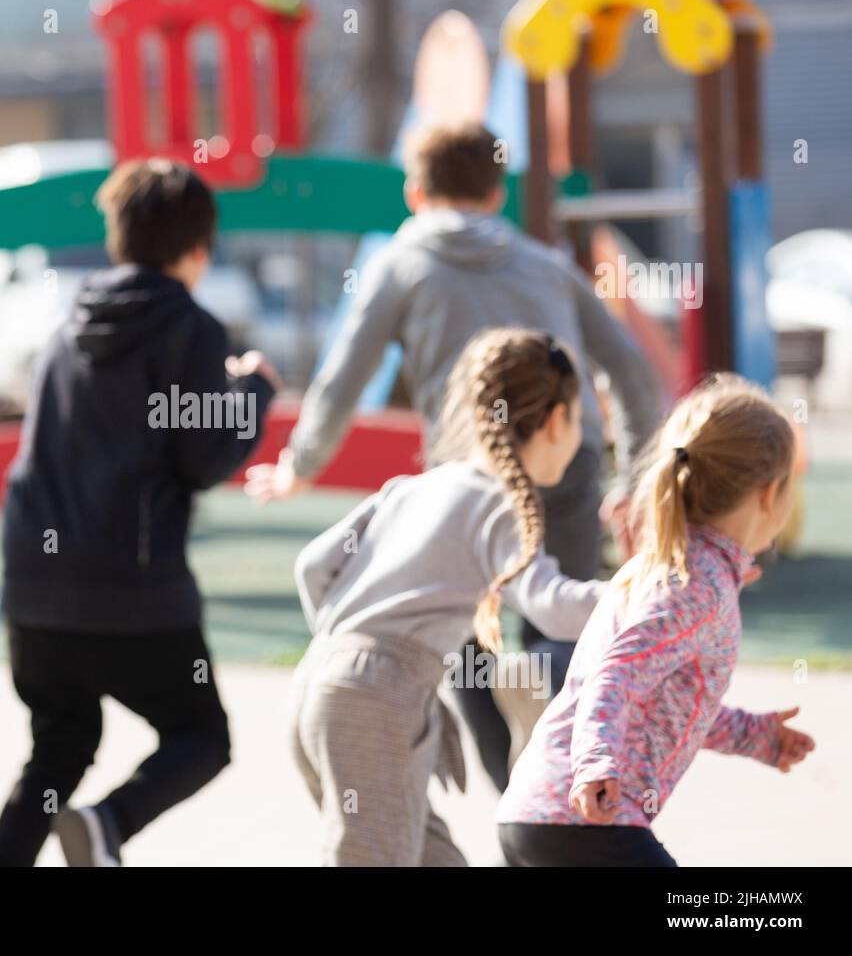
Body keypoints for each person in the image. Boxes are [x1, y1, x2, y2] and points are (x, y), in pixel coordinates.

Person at [248, 122, 662, 791]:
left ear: (414, 192)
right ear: (498, 193)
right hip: (568, 457)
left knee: (472, 634)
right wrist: (636, 477)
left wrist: (302, 466)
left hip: (471, 476)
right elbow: (633, 373)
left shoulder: (401, 265)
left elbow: (344, 375)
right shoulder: (545, 261)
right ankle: (563, 756)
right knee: (563, 624)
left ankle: (510, 787)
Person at [0, 159, 280, 866]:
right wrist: (253, 394)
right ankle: (109, 824)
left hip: (35, 587)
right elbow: (206, 458)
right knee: (201, 737)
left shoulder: (67, 328)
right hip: (134, 593)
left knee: (58, 750)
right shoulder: (190, 328)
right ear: (200, 250)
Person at [290, 328, 605, 866]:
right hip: (372, 699)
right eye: (580, 418)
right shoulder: (500, 505)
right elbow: (554, 608)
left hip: (316, 681)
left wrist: (368, 671)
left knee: (429, 857)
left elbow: (314, 566)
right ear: (556, 421)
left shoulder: (415, 486)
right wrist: (643, 589)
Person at [496, 374, 816, 866]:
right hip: (581, 819)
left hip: (542, 816)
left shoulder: (676, 568)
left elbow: (667, 704)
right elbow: (616, 674)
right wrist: (595, 762)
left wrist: (757, 736)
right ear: (768, 494)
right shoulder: (698, 584)